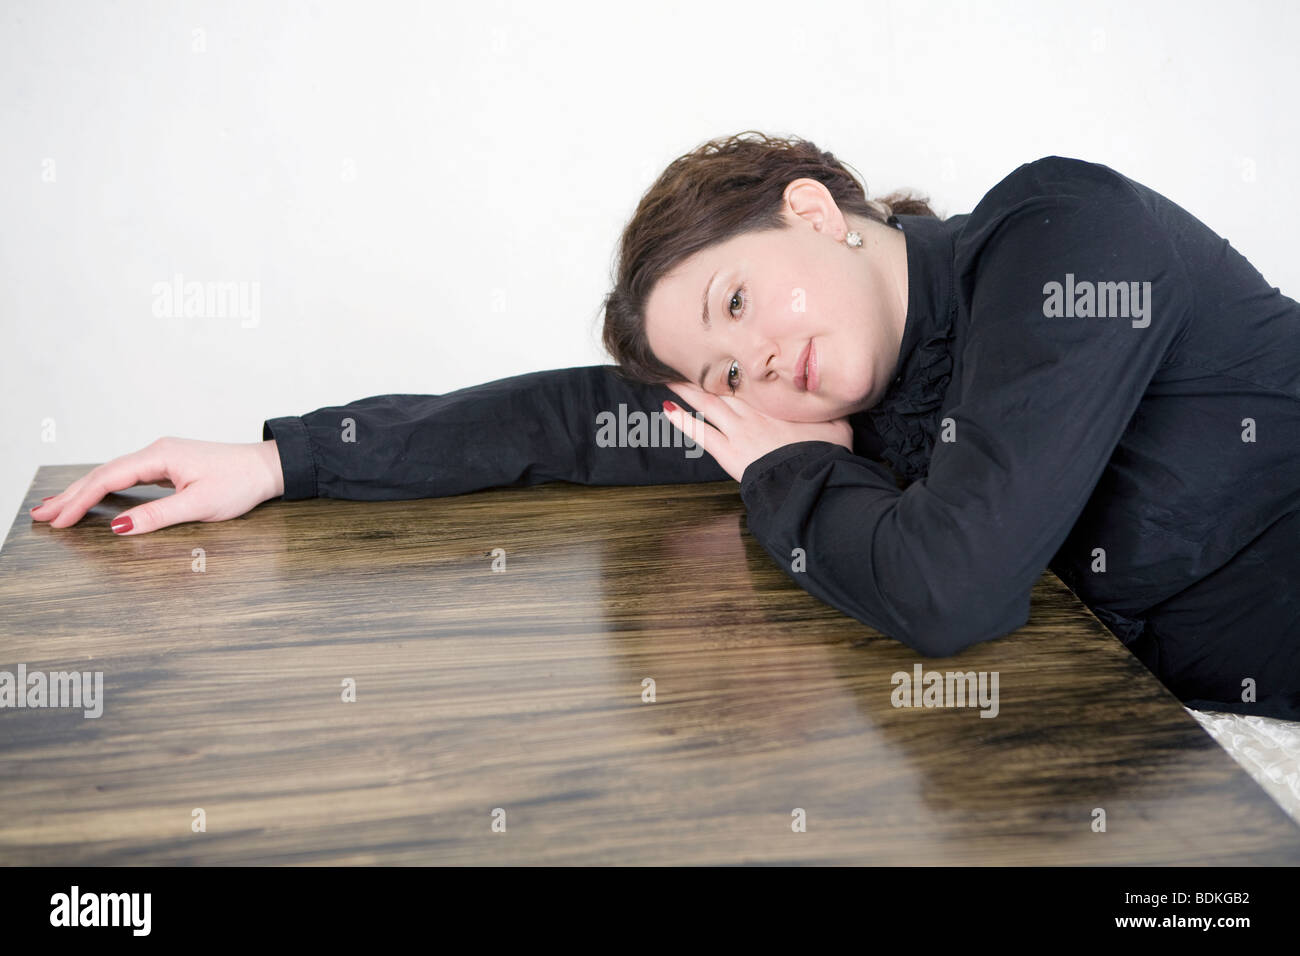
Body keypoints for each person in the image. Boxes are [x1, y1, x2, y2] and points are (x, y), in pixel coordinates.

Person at [31, 132, 1300, 721]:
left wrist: (798, 475)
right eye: (724, 364)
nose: (756, 365)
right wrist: (277, 459)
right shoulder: (847, 395)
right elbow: (566, 419)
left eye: (735, 299)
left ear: (812, 209)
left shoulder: (1063, 237)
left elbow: (954, 585)